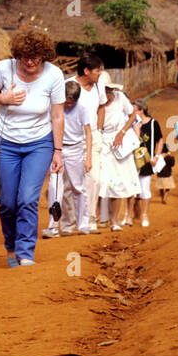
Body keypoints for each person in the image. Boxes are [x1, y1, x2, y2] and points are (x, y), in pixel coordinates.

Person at [0, 30, 65, 265]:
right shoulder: (4, 68)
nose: (30, 62)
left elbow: (58, 116)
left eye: (35, 57)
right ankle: (10, 245)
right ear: (17, 55)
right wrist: (4, 99)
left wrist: (58, 151)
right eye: (24, 57)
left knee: (28, 199)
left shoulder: (54, 75)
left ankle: (25, 253)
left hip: (39, 143)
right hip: (7, 142)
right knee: (8, 202)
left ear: (44, 55)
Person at [44, 79, 92, 237]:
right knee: (55, 188)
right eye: (66, 102)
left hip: (75, 149)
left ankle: (83, 225)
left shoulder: (83, 109)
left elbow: (88, 133)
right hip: (57, 149)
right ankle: (54, 226)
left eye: (71, 103)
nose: (68, 105)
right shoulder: (55, 106)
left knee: (78, 188)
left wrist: (88, 157)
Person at [69, 53, 107, 233]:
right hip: (73, 138)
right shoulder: (69, 86)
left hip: (94, 137)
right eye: (97, 70)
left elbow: (102, 106)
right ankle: (71, 222)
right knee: (71, 183)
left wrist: (98, 128)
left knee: (94, 180)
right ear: (86, 71)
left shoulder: (99, 86)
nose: (100, 73)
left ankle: (91, 219)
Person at [96, 85, 139, 231]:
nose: (106, 94)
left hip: (119, 143)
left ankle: (114, 221)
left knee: (118, 184)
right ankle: (97, 218)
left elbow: (133, 115)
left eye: (108, 91)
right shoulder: (96, 100)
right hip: (101, 142)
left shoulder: (120, 98)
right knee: (101, 181)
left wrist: (122, 132)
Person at [132, 98, 163, 228]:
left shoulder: (153, 123)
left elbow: (159, 140)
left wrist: (156, 155)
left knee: (145, 189)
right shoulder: (132, 124)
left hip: (147, 161)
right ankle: (133, 215)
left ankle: (144, 214)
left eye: (134, 109)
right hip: (133, 160)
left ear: (141, 110)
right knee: (133, 191)